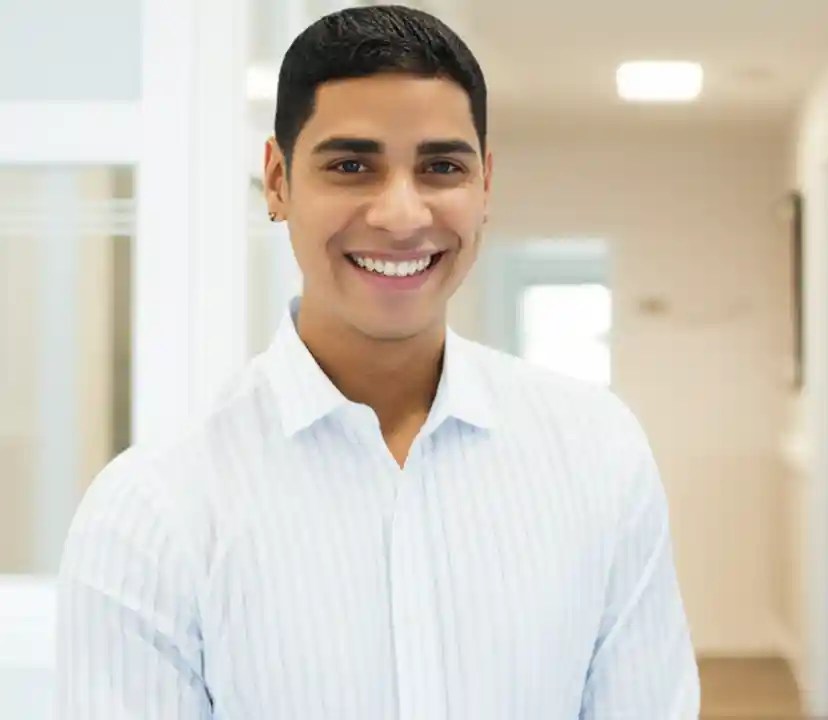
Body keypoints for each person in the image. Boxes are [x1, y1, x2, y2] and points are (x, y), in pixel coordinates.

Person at [56, 5, 700, 717]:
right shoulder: (155, 510)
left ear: (484, 183)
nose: (401, 214)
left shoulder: (597, 453)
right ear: (277, 180)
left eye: (441, 167)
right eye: (352, 165)